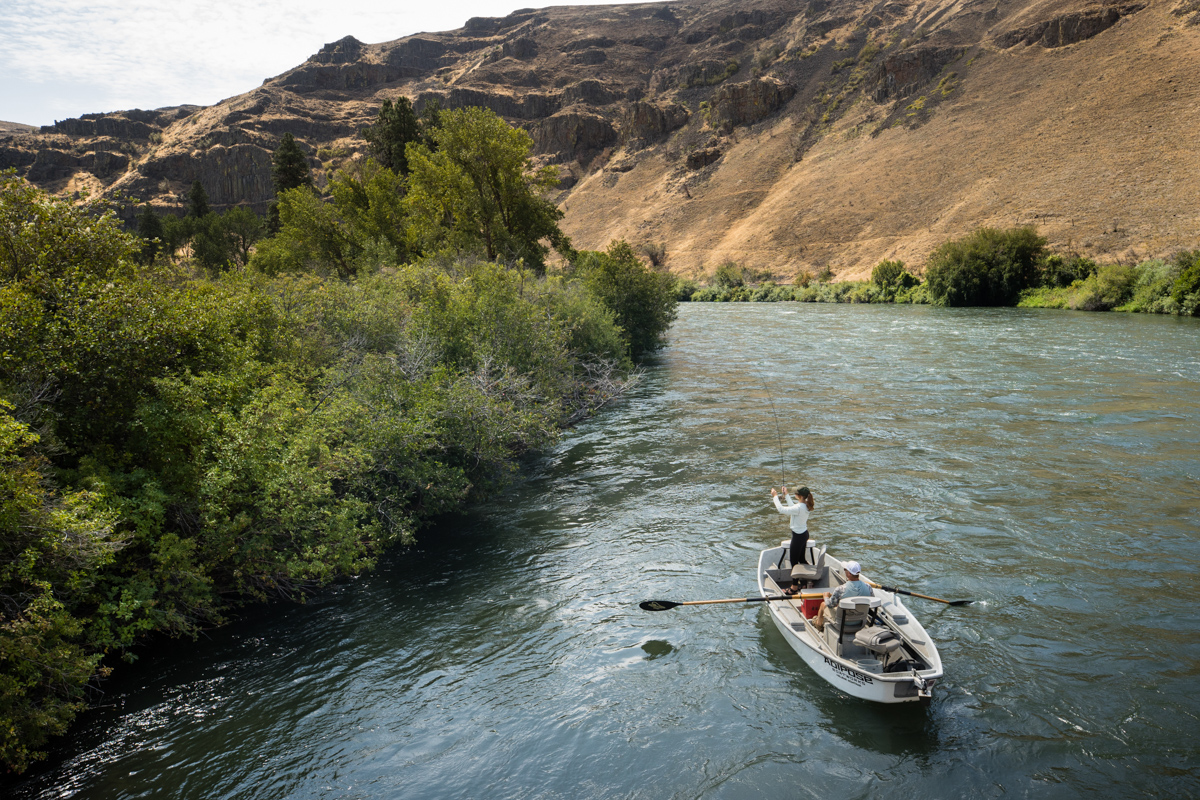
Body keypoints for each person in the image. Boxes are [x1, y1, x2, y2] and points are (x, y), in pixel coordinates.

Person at [771, 485, 814, 595]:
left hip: (798, 537)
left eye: (795, 493)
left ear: (799, 496)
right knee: (802, 559)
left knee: (794, 562)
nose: (794, 494)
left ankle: (794, 587)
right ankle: (806, 582)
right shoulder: (805, 505)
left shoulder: (799, 507)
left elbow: (781, 509)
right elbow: (793, 508)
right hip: (804, 534)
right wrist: (786, 495)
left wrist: (775, 496)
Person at [812, 560, 873, 632]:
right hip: (860, 623)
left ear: (849, 573)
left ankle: (818, 625)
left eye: (845, 569)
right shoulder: (868, 587)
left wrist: (826, 597)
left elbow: (830, 605)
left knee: (823, 604)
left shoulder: (840, 589)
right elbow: (871, 602)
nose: (844, 571)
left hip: (842, 624)